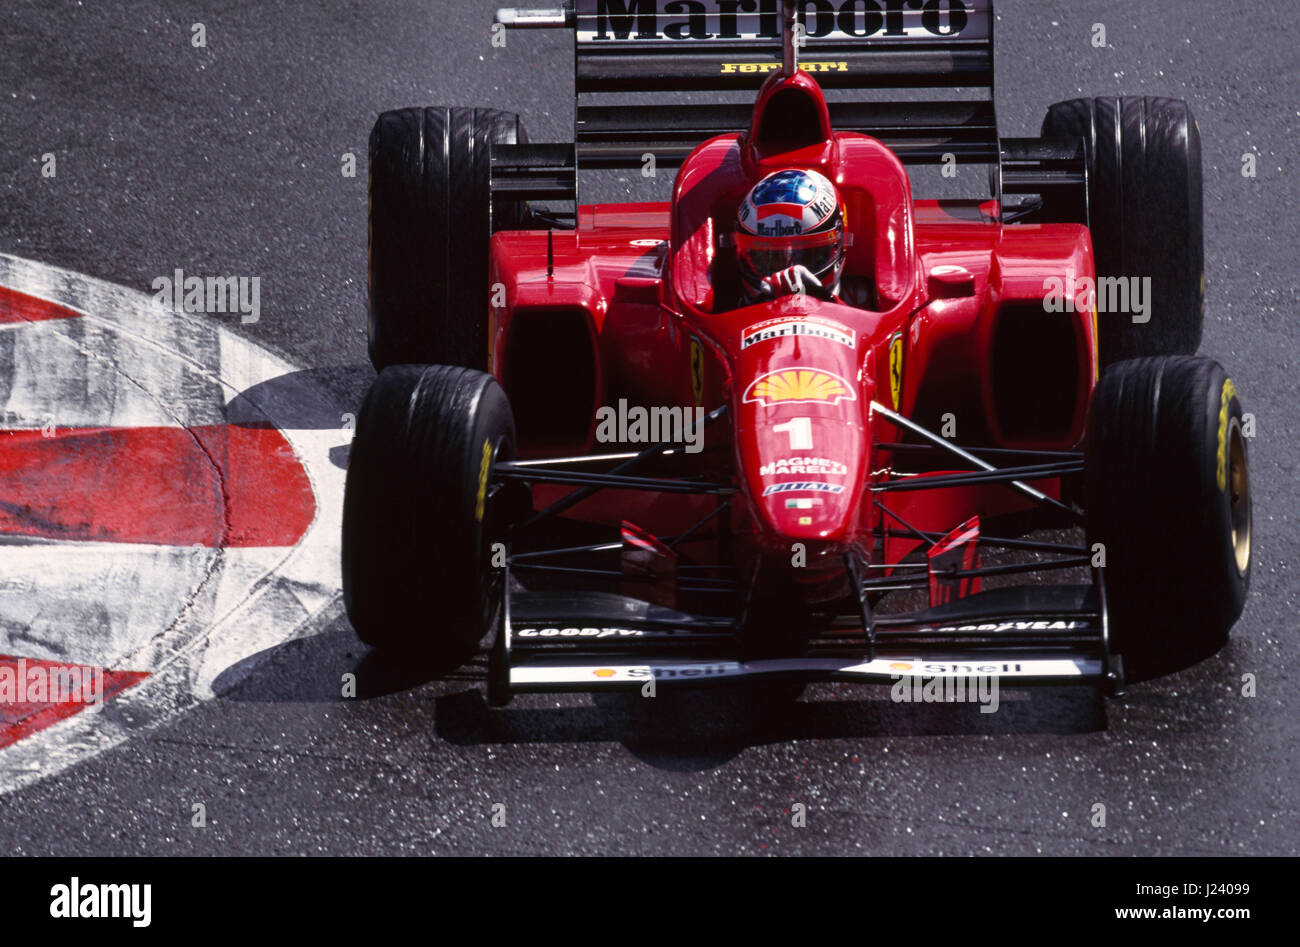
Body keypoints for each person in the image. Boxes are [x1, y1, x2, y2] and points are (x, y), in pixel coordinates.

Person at [733, 168, 847, 305]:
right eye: (767, 258)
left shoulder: (863, 299)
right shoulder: (725, 306)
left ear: (838, 246)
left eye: (807, 256)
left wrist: (827, 302)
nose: (788, 275)